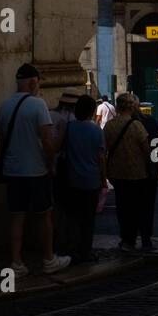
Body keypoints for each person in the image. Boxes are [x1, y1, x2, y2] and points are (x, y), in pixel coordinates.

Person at [0, 63, 70, 276]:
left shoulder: (4, 106)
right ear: (32, 82)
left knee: (17, 217)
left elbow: (0, 142)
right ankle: (49, 259)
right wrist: (51, 162)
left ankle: (17, 263)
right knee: (44, 216)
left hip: (13, 171)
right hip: (35, 171)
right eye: (37, 83)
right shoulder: (38, 105)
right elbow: (47, 141)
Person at [59, 95, 106, 264]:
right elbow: (101, 158)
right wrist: (103, 180)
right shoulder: (96, 130)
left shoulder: (68, 128)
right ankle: (85, 251)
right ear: (92, 111)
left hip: (72, 180)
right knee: (88, 220)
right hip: (91, 181)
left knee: (72, 217)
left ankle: (72, 249)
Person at [102, 93, 151, 252]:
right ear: (132, 107)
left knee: (122, 206)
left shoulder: (109, 126)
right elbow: (146, 149)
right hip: (136, 172)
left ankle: (125, 238)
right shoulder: (137, 125)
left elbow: (104, 149)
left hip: (116, 173)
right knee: (136, 207)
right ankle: (132, 238)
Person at [134, 96, 158, 251]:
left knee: (129, 206)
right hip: (149, 171)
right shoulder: (150, 122)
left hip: (127, 173)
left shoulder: (117, 124)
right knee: (147, 205)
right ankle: (146, 237)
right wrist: (157, 166)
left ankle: (129, 238)